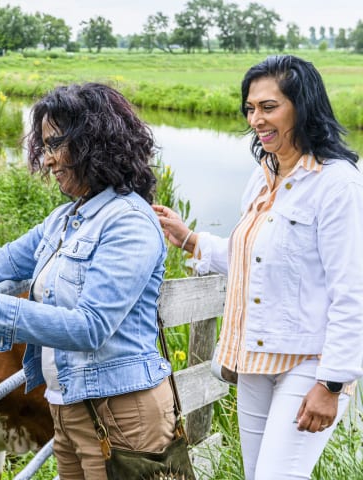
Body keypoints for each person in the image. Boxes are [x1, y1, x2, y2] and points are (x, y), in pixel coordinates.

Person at [0, 82, 175, 479]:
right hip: (66, 405)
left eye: (55, 145)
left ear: (96, 142)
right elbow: (0, 261)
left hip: (121, 412)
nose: (47, 160)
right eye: (43, 147)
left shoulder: (129, 222)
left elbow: (91, 327)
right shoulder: (65, 220)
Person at [154, 55, 363, 479]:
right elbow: (257, 262)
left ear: (302, 107)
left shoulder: (338, 183)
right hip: (255, 358)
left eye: (269, 107)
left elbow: (352, 290)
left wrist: (333, 384)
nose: (256, 120)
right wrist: (191, 239)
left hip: (309, 363)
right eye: (250, 109)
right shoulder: (263, 174)